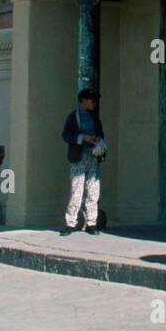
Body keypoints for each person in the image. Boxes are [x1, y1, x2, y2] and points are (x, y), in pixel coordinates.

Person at [61, 89, 106, 235]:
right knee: (77, 189)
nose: (94, 103)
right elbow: (66, 135)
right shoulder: (73, 116)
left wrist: (98, 141)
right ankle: (71, 223)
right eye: (92, 100)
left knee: (93, 190)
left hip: (92, 156)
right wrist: (82, 138)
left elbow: (100, 133)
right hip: (78, 156)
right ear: (83, 101)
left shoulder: (94, 117)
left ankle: (91, 223)